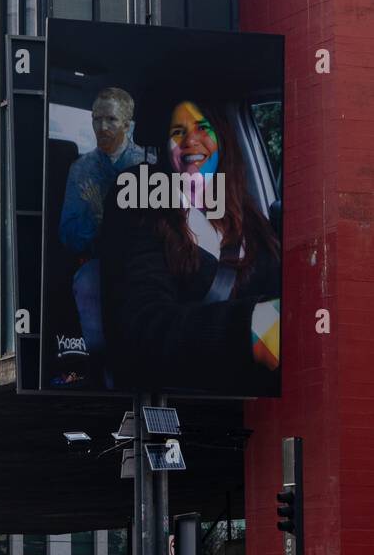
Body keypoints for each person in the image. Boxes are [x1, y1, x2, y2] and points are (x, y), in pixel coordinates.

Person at [101, 97, 281, 395]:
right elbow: (141, 328)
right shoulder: (139, 198)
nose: (191, 141)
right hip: (188, 401)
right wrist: (251, 325)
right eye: (177, 132)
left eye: (202, 128)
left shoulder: (250, 216)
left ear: (223, 138)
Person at [57, 88, 147, 385]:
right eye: (97, 119)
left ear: (128, 125)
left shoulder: (148, 164)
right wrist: (98, 225)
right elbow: (66, 230)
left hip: (145, 261)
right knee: (86, 282)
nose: (102, 127)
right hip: (99, 262)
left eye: (111, 119)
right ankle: (102, 369)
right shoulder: (80, 170)